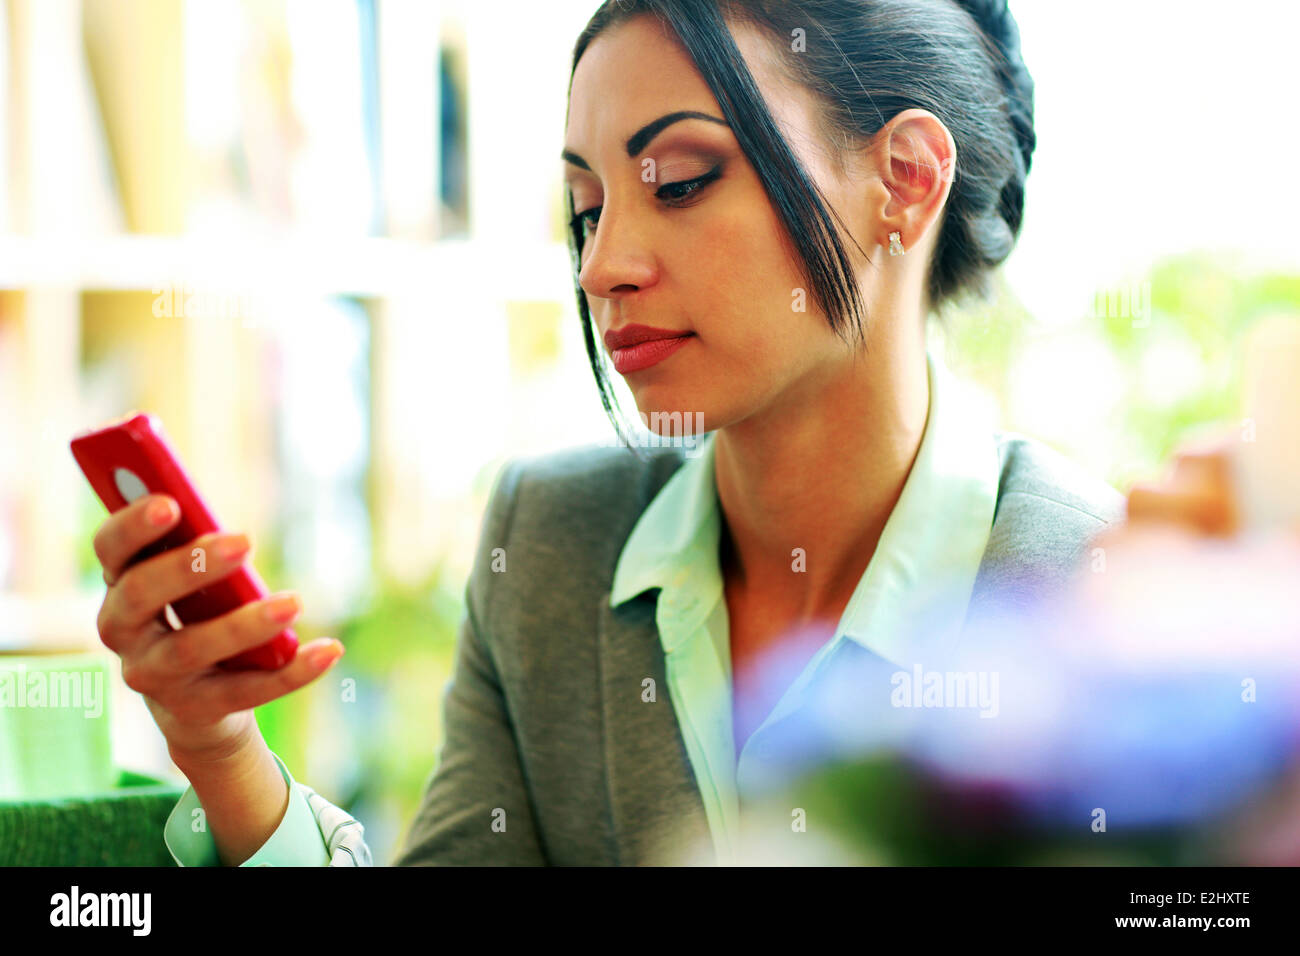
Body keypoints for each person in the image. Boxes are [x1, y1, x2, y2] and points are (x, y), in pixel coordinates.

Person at [87, 0, 1251, 866]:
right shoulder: (550, 541)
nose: (602, 264)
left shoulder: (1101, 595)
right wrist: (229, 755)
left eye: (680, 180)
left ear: (902, 179)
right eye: (586, 205)